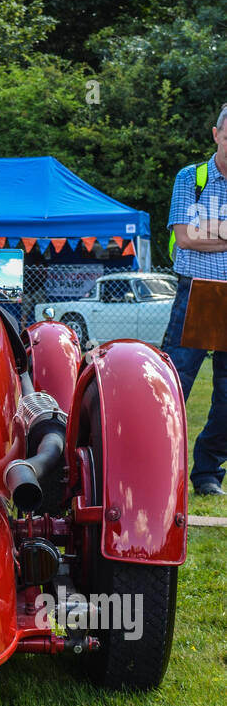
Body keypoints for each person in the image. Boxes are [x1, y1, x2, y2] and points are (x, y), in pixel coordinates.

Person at [162, 103, 227, 494]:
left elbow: (198, 233)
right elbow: (185, 237)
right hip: (198, 291)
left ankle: (206, 473)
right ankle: (158, 464)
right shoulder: (192, 177)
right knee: (174, 383)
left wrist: (211, 229)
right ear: (216, 134)